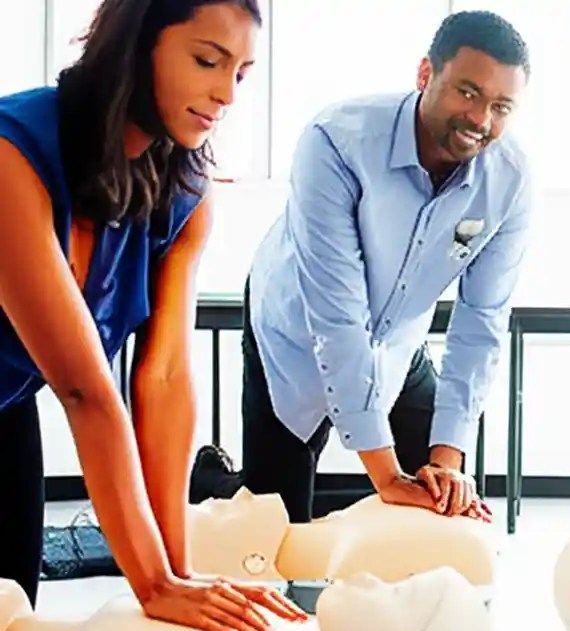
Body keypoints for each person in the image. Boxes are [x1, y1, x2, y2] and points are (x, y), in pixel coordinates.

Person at [0, 0, 304, 631]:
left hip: (6, 403)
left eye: (241, 73)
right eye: (206, 61)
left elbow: (163, 379)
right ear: (138, 43)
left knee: (8, 619)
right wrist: (153, 583)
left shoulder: (186, 192)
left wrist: (178, 575)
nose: (226, 94)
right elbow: (83, 389)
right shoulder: (14, 153)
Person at [191, 10, 531, 524]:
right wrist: (387, 477)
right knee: (273, 522)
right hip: (296, 329)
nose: (481, 120)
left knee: (443, 499)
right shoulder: (336, 141)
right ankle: (211, 482)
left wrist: (446, 462)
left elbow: (481, 322)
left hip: (397, 339)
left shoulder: (511, 178)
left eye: (501, 106)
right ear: (425, 74)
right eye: (467, 92)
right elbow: (337, 317)